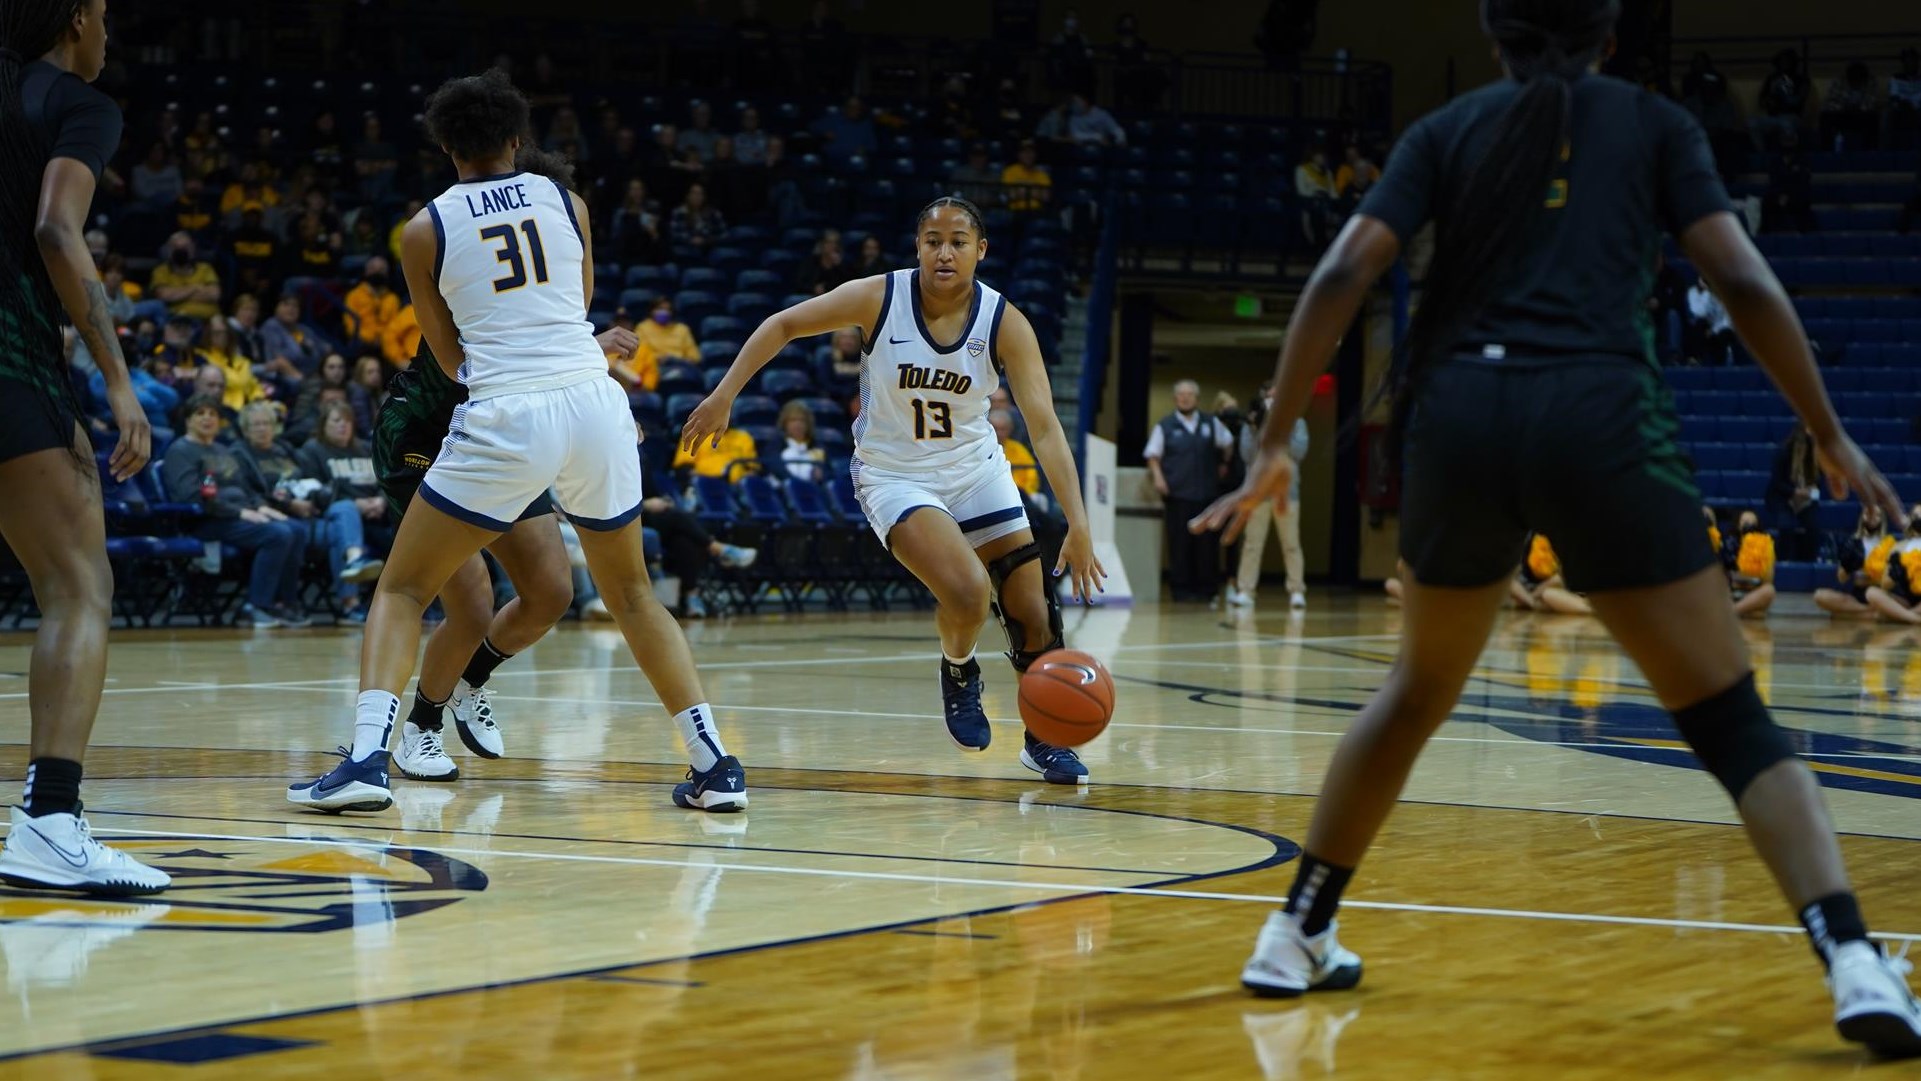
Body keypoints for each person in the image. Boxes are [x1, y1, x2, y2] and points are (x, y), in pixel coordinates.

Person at [1193, 0, 1921, 1052]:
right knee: (1726, 718)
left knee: (1410, 697)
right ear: (1609, 35)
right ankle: (1854, 958)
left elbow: (1343, 270)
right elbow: (1742, 278)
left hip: (1459, 421)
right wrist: (1826, 430)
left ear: (1495, 33)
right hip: (1597, 417)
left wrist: (1270, 445)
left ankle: (1291, 928)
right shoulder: (1653, 123)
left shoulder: (1443, 130)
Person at [289, 70, 747, 814]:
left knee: (403, 587)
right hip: (595, 399)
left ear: (443, 145)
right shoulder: (567, 201)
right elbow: (579, 301)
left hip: (506, 407)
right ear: (517, 140)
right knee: (631, 594)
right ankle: (715, 764)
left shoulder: (423, 228)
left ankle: (368, 759)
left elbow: (445, 355)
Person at [684, 196, 1104, 785]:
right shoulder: (879, 297)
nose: (945, 252)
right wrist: (725, 393)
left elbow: (1046, 429)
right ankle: (959, 671)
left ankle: (1044, 739)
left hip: (976, 468)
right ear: (918, 247)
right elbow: (783, 324)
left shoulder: (1004, 322)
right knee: (964, 591)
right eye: (933, 240)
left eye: (959, 241)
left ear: (980, 251)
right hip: (894, 474)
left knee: (1034, 611)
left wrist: (1079, 525)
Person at [0, 0, 170, 896]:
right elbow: (56, 231)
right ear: (74, 21)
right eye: (105, 14)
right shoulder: (77, 102)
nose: (110, 34)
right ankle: (51, 822)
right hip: (9, 355)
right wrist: (116, 379)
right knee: (77, 584)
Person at [163, 395, 310, 628]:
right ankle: (255, 606)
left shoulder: (222, 449)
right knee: (277, 534)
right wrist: (239, 513)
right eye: (200, 414)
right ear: (188, 420)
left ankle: (285, 604)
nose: (207, 419)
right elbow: (190, 496)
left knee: (296, 529)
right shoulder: (180, 451)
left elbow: (244, 488)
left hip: (238, 515)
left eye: (212, 414)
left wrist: (262, 507)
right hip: (205, 521)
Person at [1144, 378, 1232, 603]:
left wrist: (1223, 464)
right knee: (1179, 545)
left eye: (1189, 394)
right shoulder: (1165, 426)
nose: (1185, 398)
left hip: (1207, 495)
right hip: (1178, 495)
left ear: (1197, 398)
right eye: (1181, 395)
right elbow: (1153, 455)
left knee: (1207, 546)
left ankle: (1207, 590)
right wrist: (1159, 478)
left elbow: (1229, 444)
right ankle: (1181, 590)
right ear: (1175, 399)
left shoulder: (1211, 423)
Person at [1229, 381, 1308, 611]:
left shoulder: (1298, 423)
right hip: (1257, 494)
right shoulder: (1251, 424)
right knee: (1252, 543)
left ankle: (1296, 591)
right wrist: (1259, 428)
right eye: (1269, 396)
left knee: (1291, 543)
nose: (1272, 400)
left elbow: (1299, 452)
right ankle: (1245, 590)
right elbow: (1247, 455)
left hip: (1287, 493)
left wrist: (1280, 429)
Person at [1814, 505, 1892, 618]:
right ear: (1862, 517)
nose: (1872, 518)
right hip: (1857, 592)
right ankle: (1868, 612)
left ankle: (1850, 614)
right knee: (1820, 596)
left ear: (1882, 519)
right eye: (1868, 514)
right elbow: (1841, 578)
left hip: (1879, 592)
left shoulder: (1889, 543)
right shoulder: (1853, 542)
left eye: (1877, 515)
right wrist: (1849, 565)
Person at [1720, 509, 1778, 618]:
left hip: (1752, 593)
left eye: (1752, 523)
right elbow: (1722, 573)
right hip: (1732, 590)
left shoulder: (1765, 545)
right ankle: (1747, 612)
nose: (1748, 526)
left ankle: (1733, 611)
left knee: (1769, 591)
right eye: (1745, 522)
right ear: (1738, 524)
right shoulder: (1728, 543)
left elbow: (1768, 580)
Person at [776, 399, 824, 483]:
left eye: (802, 420)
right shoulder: (777, 443)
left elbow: (827, 470)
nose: (797, 424)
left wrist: (821, 474)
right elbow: (775, 466)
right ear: (784, 423)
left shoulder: (815, 445)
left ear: (808, 424)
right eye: (793, 420)